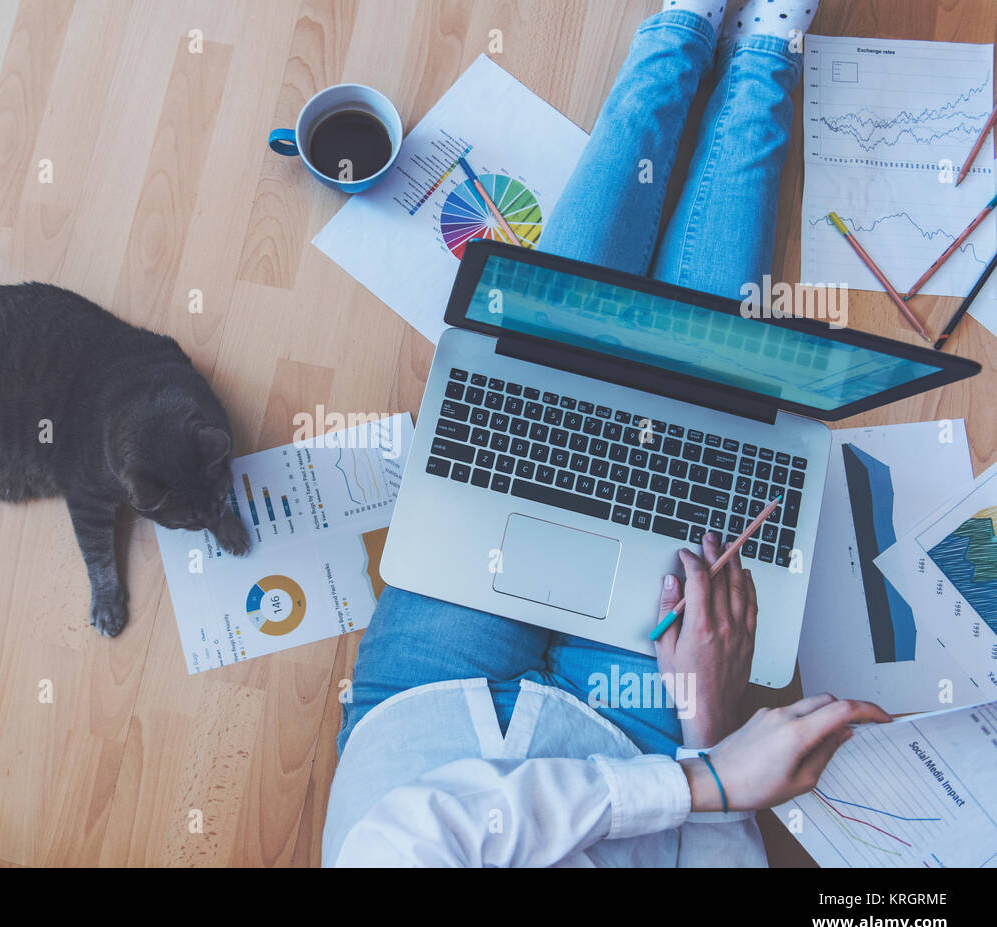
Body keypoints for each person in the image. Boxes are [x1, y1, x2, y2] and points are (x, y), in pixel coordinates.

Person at [322, 0, 892, 867]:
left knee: (545, 367)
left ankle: (681, 31)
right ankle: (764, 56)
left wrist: (709, 781)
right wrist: (710, 734)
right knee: (705, 410)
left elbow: (416, 831)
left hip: (429, 716)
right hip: (640, 738)